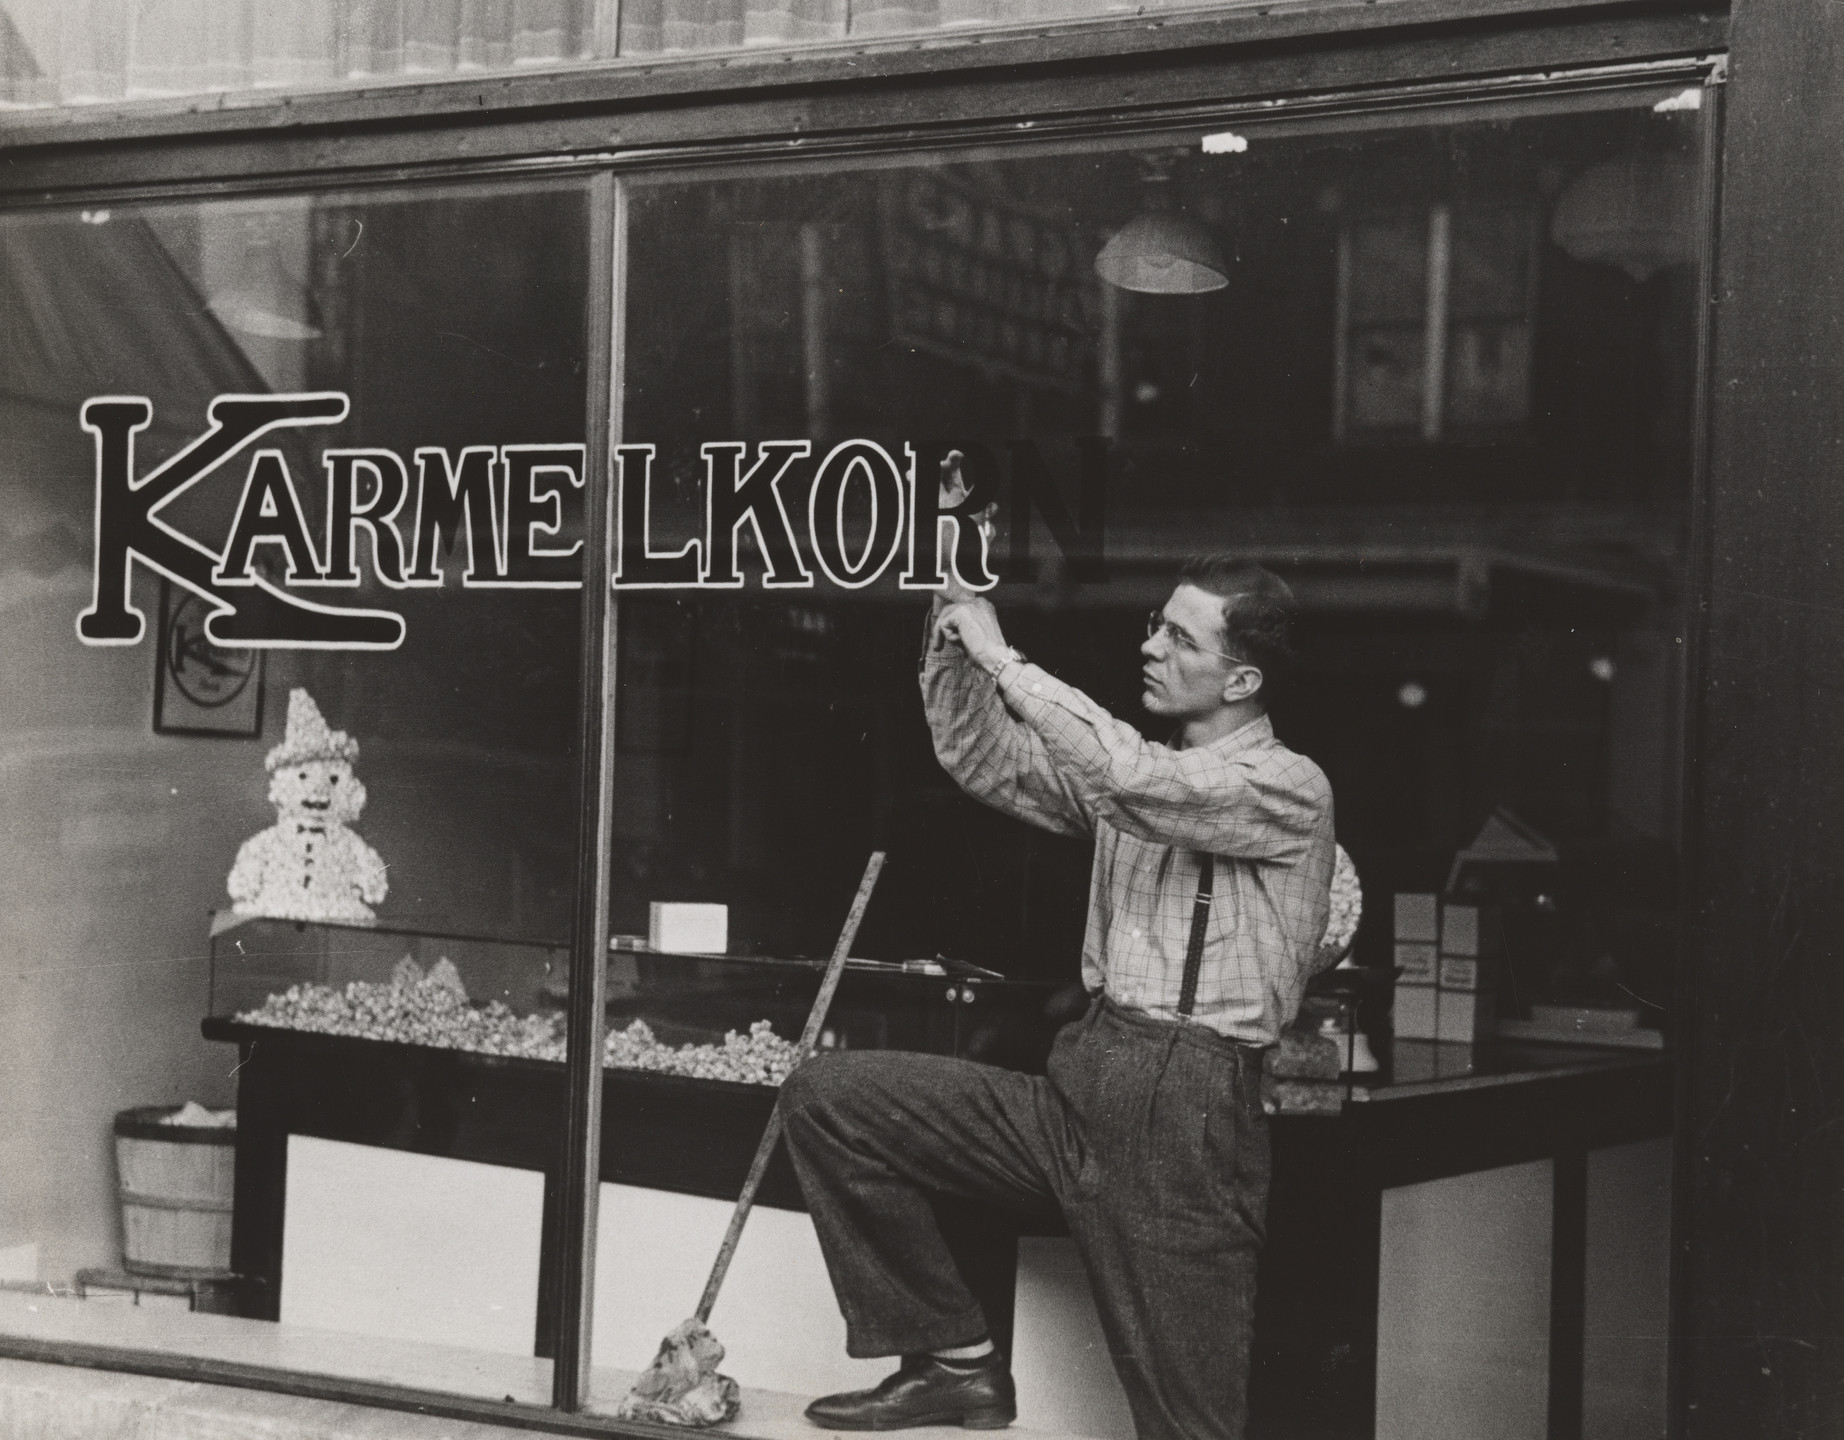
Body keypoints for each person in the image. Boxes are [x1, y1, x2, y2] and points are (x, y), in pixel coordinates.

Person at [778, 524, 1335, 1439]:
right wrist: (954, 619)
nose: (1149, 645)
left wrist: (1006, 656)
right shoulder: (1132, 783)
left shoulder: (1286, 787)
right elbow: (982, 756)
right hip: (1087, 1078)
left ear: (1243, 681)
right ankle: (955, 1364)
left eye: (1181, 639)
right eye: (1158, 624)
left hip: (1186, 1116)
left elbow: (1133, 774)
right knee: (831, 1098)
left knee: (1190, 1426)